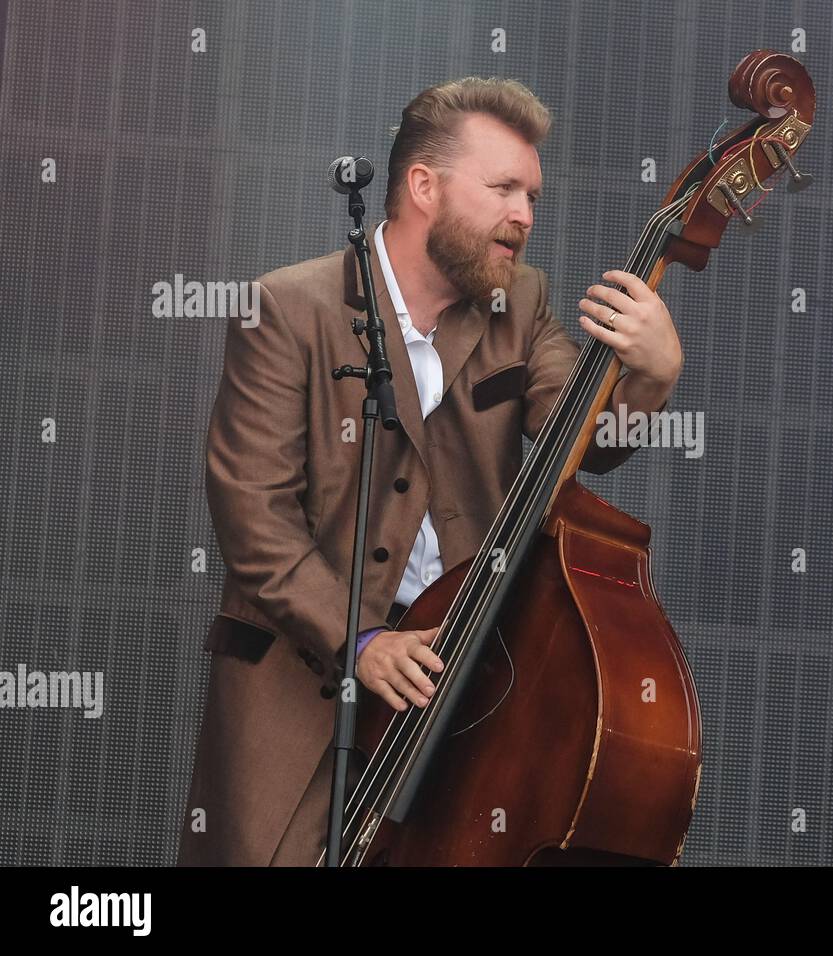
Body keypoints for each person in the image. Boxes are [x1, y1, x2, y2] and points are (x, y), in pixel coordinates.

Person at [178, 76, 683, 866]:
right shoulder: (287, 308)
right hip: (297, 682)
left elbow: (580, 439)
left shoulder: (523, 304)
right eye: (504, 189)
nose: (525, 215)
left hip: (454, 686)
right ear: (423, 187)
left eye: (533, 196)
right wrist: (364, 638)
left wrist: (651, 373)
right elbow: (252, 511)